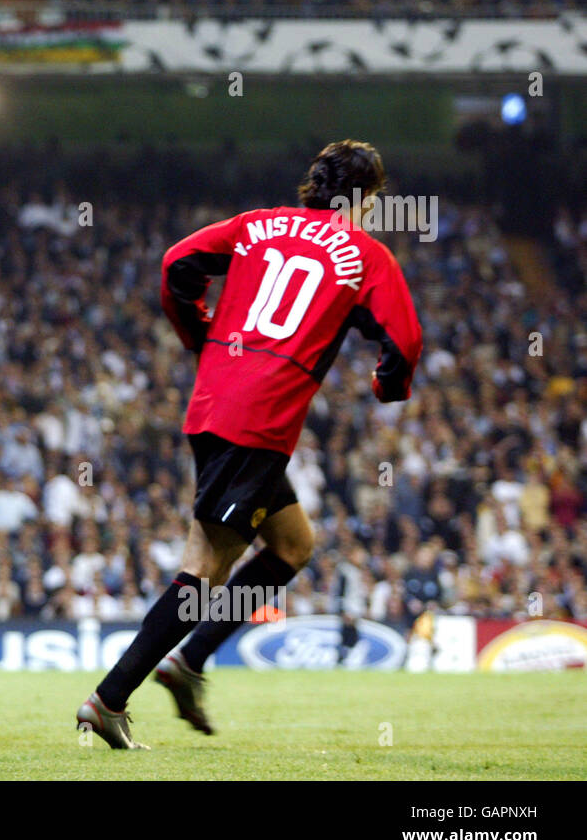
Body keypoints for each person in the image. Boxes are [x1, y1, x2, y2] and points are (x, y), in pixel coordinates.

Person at [77, 140, 423, 748]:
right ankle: (110, 698)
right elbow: (405, 341)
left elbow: (176, 266)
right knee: (205, 568)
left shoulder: (254, 226)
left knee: (292, 545)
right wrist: (386, 386)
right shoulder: (366, 255)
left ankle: (191, 660)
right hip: (258, 423)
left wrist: (199, 333)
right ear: (365, 198)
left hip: (215, 403)